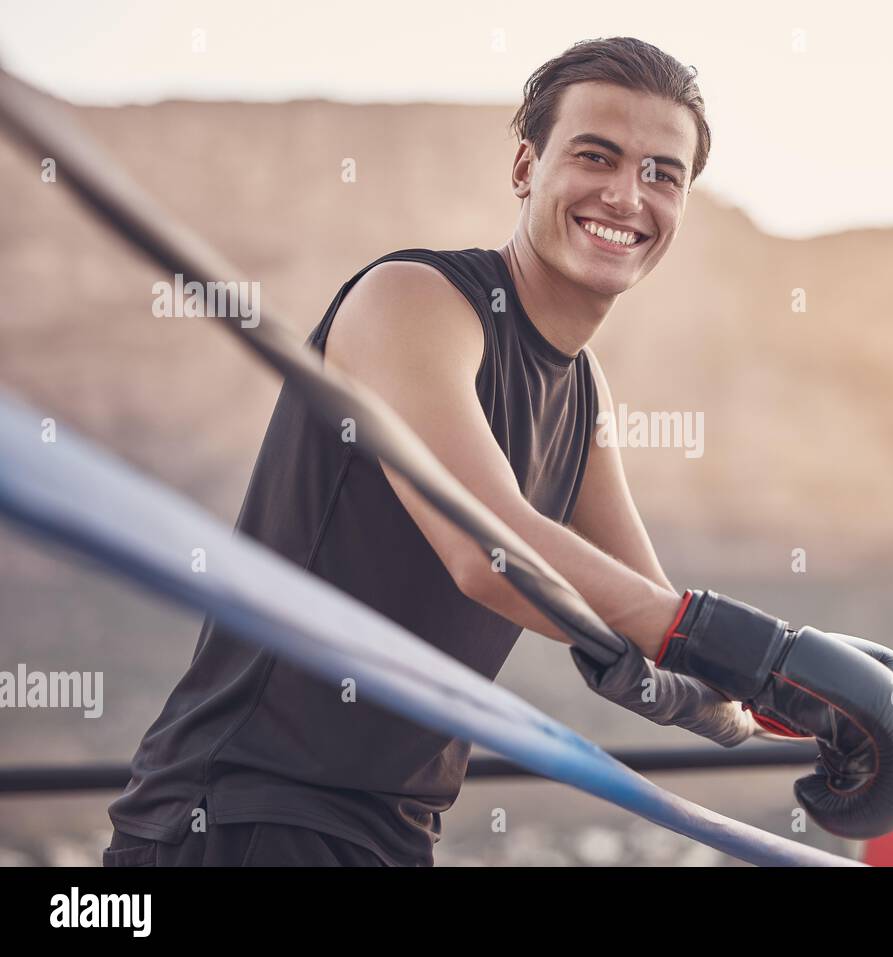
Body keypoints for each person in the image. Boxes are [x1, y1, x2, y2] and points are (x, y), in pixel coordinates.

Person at [103, 36, 758, 868]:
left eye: (663, 173)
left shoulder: (582, 387)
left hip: (392, 831)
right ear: (526, 167)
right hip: (242, 812)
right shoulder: (415, 298)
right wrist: (767, 654)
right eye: (598, 156)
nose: (628, 194)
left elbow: (651, 617)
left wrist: (797, 701)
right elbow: (492, 551)